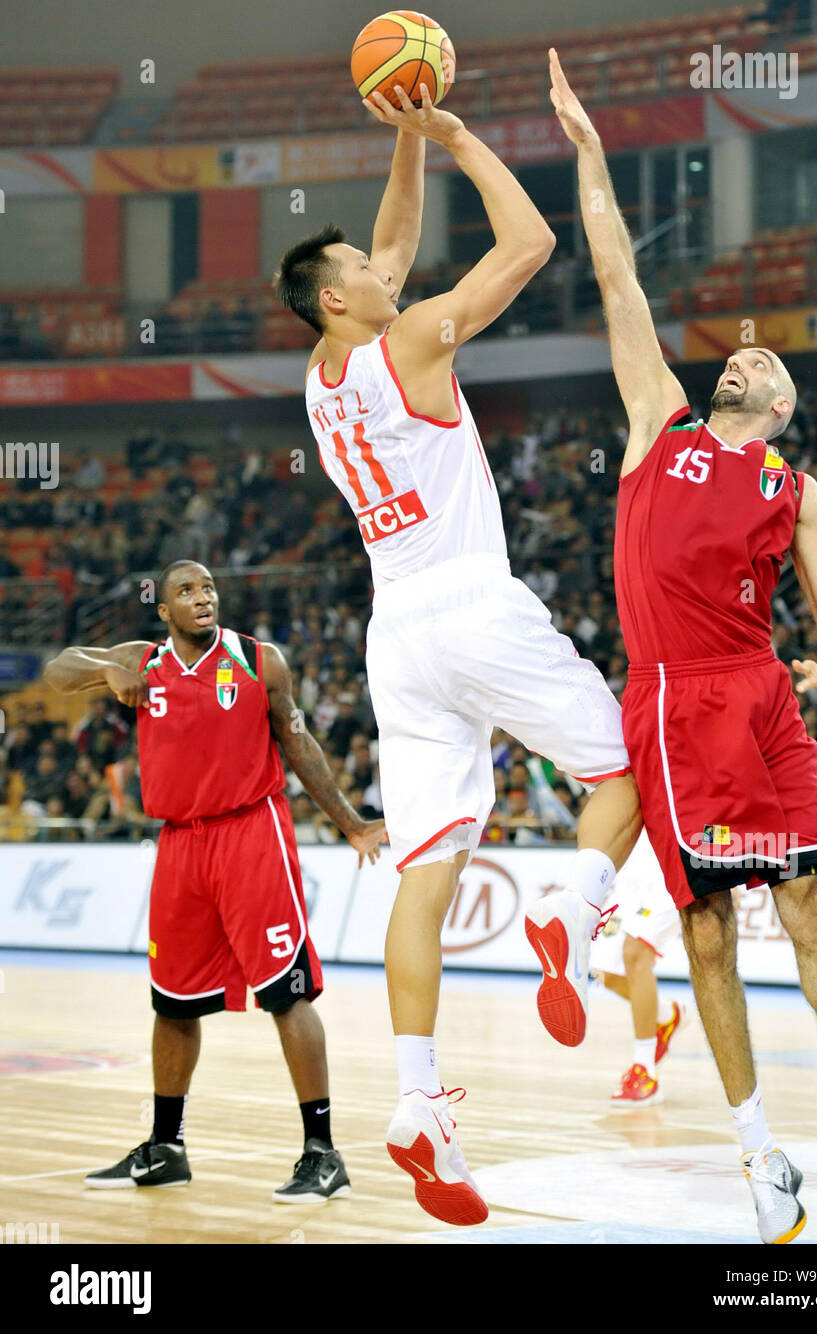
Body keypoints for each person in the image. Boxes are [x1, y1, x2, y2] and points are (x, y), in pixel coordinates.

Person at [275, 84, 641, 1227]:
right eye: (368, 272)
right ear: (344, 299)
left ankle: (417, 1098)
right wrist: (458, 134)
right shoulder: (418, 338)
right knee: (626, 766)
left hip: (397, 636)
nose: (393, 269)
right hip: (474, 603)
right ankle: (570, 912)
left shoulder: (324, 379)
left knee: (422, 871)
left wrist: (400, 133)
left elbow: (390, 240)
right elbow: (529, 242)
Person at [548, 48, 817, 1244]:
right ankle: (758, 1152)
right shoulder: (658, 419)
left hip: (762, 697)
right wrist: (593, 155)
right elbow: (613, 274)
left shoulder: (792, 484)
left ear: (786, 403)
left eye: (768, 360)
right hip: (676, 696)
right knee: (705, 928)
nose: (744, 353)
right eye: (741, 353)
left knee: (812, 904)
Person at [45, 559, 385, 1204]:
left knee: (288, 994)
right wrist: (103, 670)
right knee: (171, 1003)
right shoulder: (142, 661)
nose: (202, 598)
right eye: (185, 592)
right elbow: (56, 667)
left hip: (251, 832)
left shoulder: (260, 661)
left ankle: (323, 1153)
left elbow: (298, 742)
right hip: (178, 843)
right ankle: (165, 1147)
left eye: (207, 588)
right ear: (164, 611)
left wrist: (350, 822)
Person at [589, 834, 687, 1105]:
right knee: (604, 973)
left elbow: (716, 807)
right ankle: (668, 1013)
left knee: (635, 952)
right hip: (630, 878)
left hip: (672, 872)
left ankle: (644, 1071)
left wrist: (724, 865)